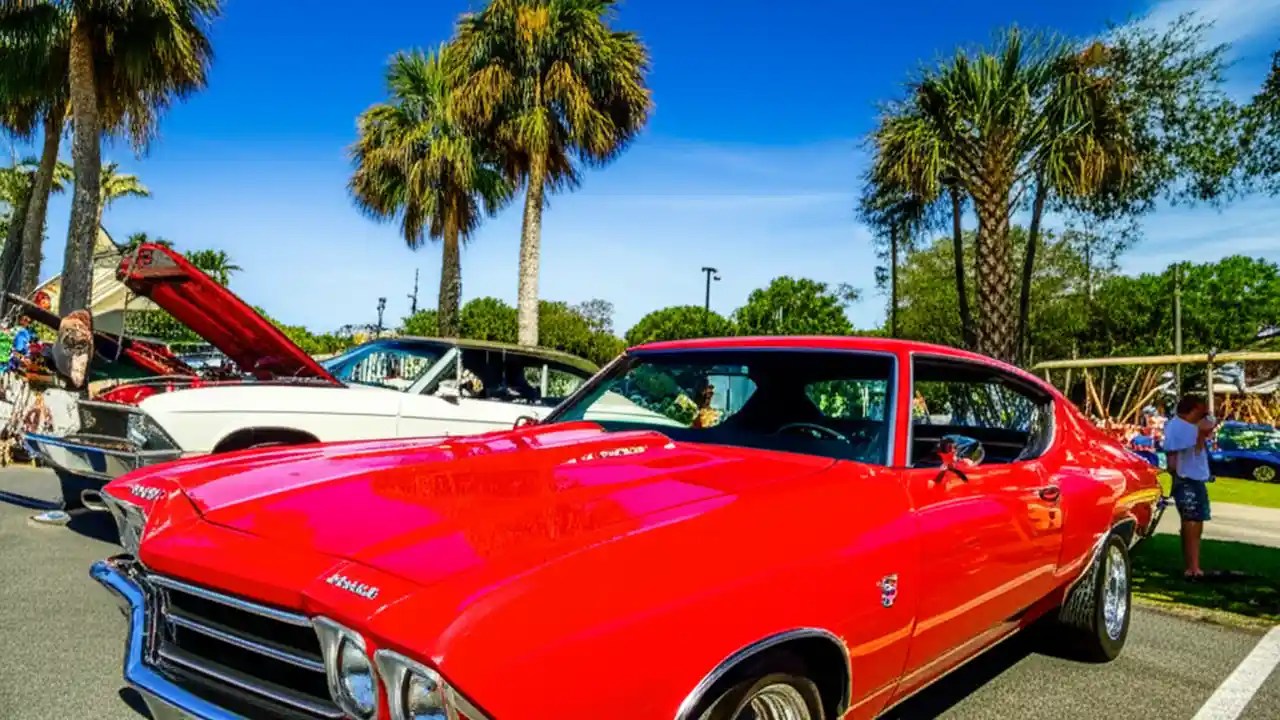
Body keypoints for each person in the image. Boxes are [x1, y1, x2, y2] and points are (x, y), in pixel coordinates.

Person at [1163, 394, 1217, 579]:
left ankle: (1194, 565)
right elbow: (1173, 454)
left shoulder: (1188, 426)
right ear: (1192, 410)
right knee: (1191, 521)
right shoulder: (1178, 427)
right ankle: (1191, 567)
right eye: (1200, 411)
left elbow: (1209, 424)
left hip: (1194, 478)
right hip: (1186, 478)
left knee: (1196, 521)